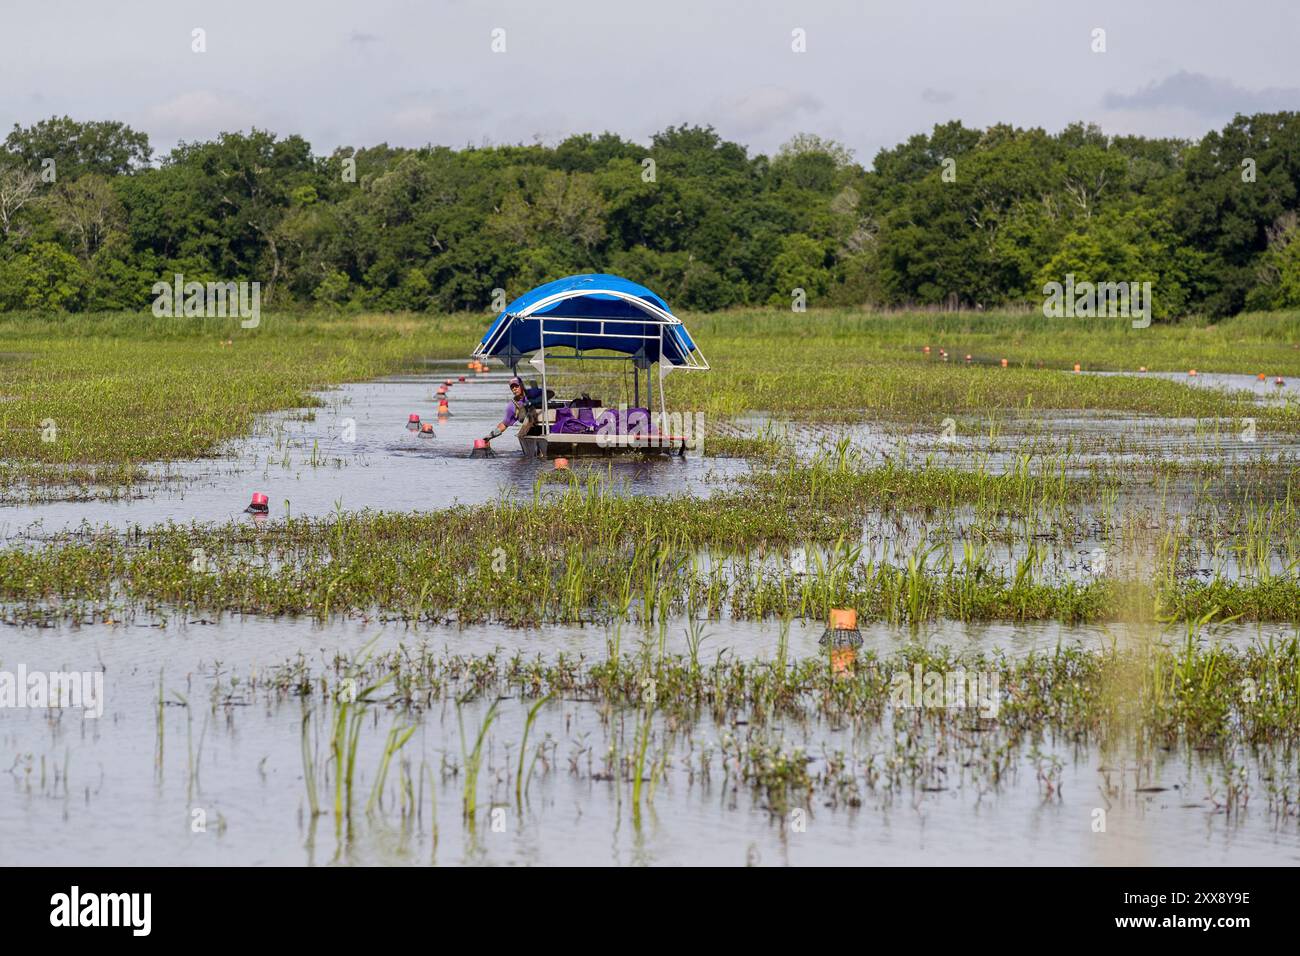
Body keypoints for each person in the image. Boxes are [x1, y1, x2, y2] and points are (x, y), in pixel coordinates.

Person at [483, 376, 542, 444]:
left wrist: (534, 401)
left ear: (521, 385)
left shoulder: (532, 393)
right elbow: (504, 424)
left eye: (516, 386)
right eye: (512, 387)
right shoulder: (512, 406)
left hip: (544, 424)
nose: (514, 389)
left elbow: (551, 393)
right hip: (530, 430)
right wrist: (491, 435)